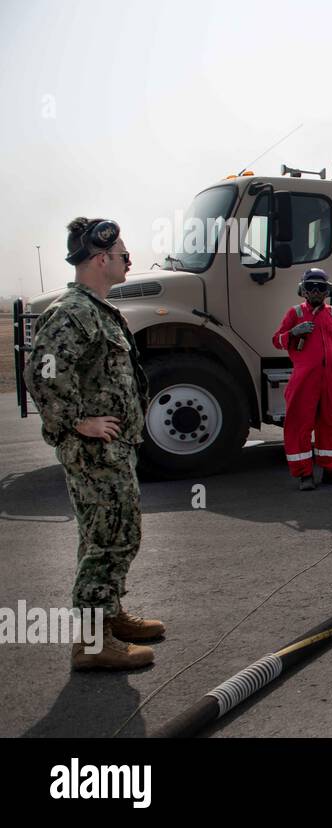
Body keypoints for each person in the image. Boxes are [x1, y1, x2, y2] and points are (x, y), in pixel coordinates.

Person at [24, 217, 163, 670]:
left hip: (113, 449)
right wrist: (76, 422)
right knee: (111, 538)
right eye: (124, 255)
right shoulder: (72, 312)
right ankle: (91, 643)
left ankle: (109, 615)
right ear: (102, 259)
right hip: (95, 452)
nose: (128, 261)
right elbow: (42, 373)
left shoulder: (97, 309)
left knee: (108, 534)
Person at [271, 268, 332, 490]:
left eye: (320, 287)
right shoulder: (295, 313)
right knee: (300, 424)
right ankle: (304, 474)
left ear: (328, 290)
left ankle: (331, 469)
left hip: (329, 379)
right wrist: (293, 333)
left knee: (329, 423)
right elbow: (276, 341)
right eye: (310, 287)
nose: (316, 291)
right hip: (304, 378)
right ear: (303, 290)